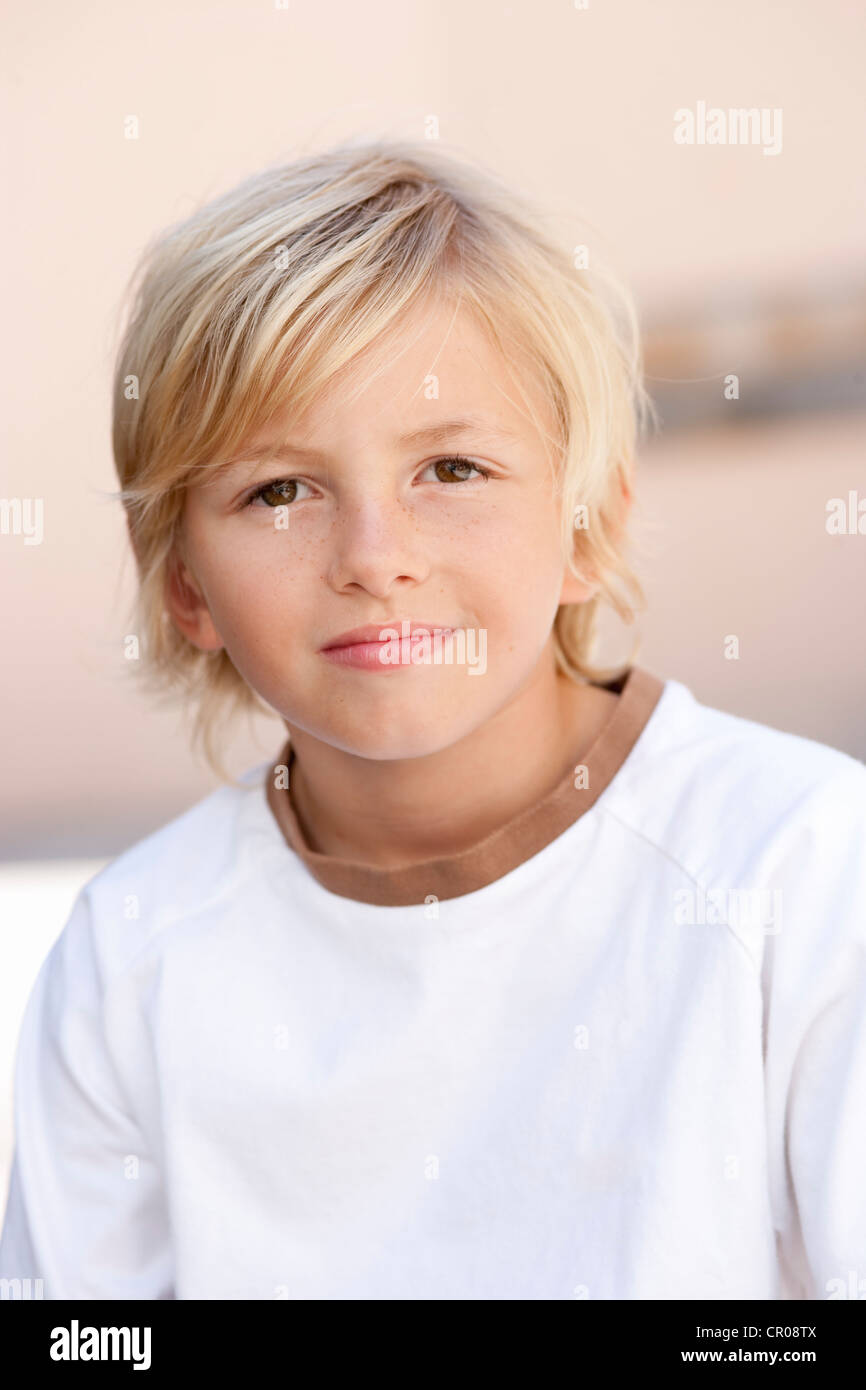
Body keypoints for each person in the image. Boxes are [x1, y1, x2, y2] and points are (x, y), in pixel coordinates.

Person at [1, 139, 864, 1300]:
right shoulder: (131, 955)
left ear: (584, 530)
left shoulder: (803, 867)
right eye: (279, 490)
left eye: (450, 470)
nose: (374, 559)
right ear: (186, 587)